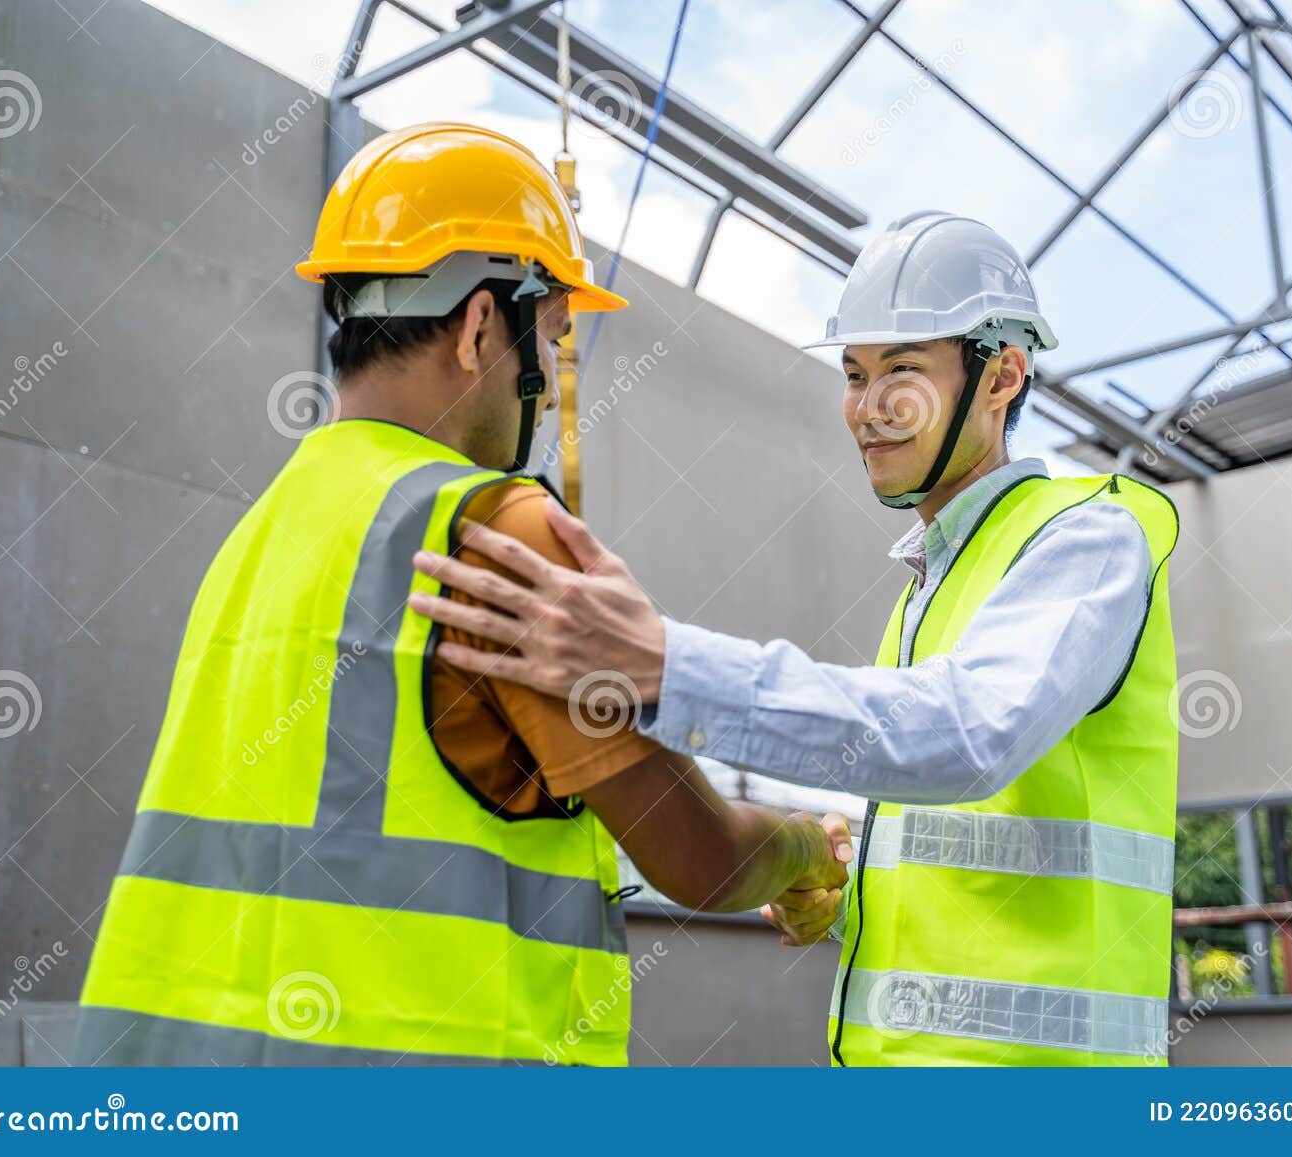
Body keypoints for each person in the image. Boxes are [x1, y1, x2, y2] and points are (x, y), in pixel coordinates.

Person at [70, 122, 848, 1067]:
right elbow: (701, 853)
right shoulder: (494, 531)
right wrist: (810, 850)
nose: (556, 393)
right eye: (553, 342)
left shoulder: (259, 535)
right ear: (483, 325)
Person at [408, 211, 1181, 1066]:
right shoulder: (935, 584)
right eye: (854, 372)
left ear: (1002, 377)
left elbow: (966, 735)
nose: (866, 409)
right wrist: (848, 892)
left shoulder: (1089, 538)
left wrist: (664, 665)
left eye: (903, 371)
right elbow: (971, 844)